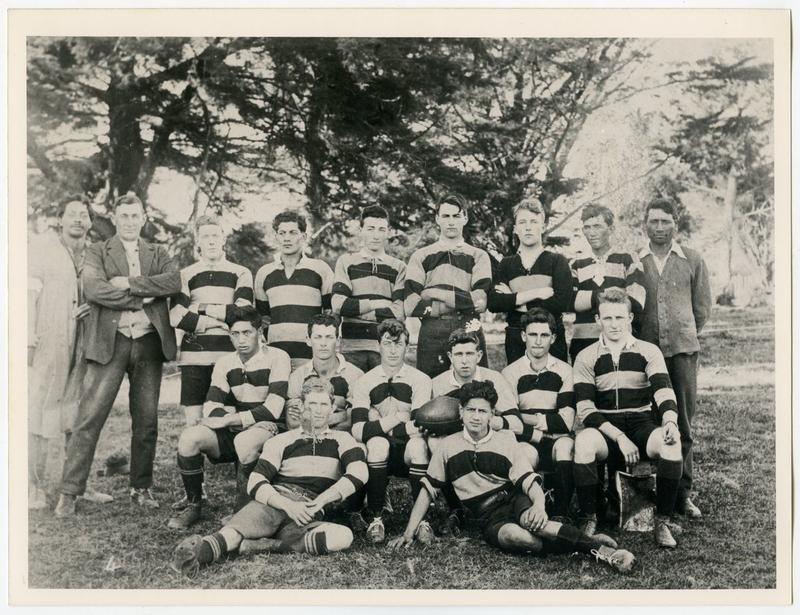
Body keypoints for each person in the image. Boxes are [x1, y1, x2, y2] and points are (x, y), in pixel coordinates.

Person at [388, 381, 635, 574]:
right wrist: (408, 533)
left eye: (482, 411)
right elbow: (427, 490)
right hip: (487, 516)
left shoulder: (505, 439)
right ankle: (581, 540)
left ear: (491, 413)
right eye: (471, 410)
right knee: (522, 539)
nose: (476, 416)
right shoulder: (447, 446)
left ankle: (605, 553)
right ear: (461, 411)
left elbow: (529, 480)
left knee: (537, 524)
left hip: (515, 499)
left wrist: (538, 505)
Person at [55, 192, 181, 517]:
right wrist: (142, 299)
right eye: (123, 216)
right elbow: (94, 288)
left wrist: (130, 283)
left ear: (143, 219)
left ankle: (141, 487)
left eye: (134, 216)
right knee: (89, 418)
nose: (129, 221)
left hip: (149, 342)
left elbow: (173, 281)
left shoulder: (157, 251)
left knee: (147, 421)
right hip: (111, 342)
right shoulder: (98, 250)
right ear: (114, 218)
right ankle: (70, 492)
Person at [170, 377, 368, 575]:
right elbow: (256, 482)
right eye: (312, 404)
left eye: (324, 404)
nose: (317, 410)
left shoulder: (343, 439)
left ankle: (267, 545)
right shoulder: (283, 440)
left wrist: (319, 503)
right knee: (233, 534)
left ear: (333, 408)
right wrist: (289, 505)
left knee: (343, 536)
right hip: (275, 501)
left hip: (310, 509)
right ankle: (200, 553)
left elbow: (359, 472)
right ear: (301, 406)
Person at [572, 288, 684, 548]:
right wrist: (619, 437)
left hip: (641, 422)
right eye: (607, 318)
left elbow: (664, 391)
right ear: (598, 320)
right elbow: (586, 409)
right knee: (585, 443)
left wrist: (669, 420)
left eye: (619, 318)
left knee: (671, 443)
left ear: (630, 318)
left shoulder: (648, 350)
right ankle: (590, 517)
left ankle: (662, 520)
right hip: (606, 426)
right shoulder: (586, 356)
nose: (613, 325)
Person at [168, 307, 290, 530]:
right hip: (237, 428)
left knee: (247, 440)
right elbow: (213, 405)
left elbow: (273, 409)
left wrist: (227, 420)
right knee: (190, 438)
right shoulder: (225, 362)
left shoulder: (278, 357)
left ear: (259, 332)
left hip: (268, 428)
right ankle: (195, 505)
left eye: (247, 333)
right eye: (235, 334)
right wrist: (227, 419)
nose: (241, 340)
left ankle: (243, 510)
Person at [28, 197, 112, 508]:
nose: (78, 219)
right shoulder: (43, 250)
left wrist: (94, 304)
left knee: (79, 414)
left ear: (91, 222)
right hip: (49, 341)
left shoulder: (95, 254)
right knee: (37, 412)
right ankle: (32, 488)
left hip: (85, 343)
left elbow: (103, 291)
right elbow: (27, 294)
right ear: (60, 219)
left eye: (84, 215)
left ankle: (77, 484)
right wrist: (27, 339)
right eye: (71, 214)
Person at [638, 198, 711, 520]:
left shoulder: (692, 259)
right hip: (645, 353)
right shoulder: (636, 261)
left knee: (681, 420)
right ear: (645, 224)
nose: (659, 227)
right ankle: (650, 488)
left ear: (675, 224)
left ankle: (682, 493)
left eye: (665, 221)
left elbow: (702, 309)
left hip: (682, 352)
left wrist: (683, 335)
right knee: (648, 419)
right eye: (653, 221)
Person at [349, 319, 433, 544]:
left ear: (407, 346)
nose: (393, 350)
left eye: (399, 344)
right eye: (388, 343)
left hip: (408, 451)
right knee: (377, 444)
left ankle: (422, 520)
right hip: (379, 452)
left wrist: (378, 423)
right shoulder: (364, 381)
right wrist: (397, 418)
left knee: (418, 445)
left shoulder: (420, 380)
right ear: (378, 345)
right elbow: (358, 430)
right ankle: (377, 518)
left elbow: (418, 427)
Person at [170, 215, 254, 428]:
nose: (211, 241)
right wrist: (217, 322)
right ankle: (194, 460)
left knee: (229, 419)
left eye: (215, 235)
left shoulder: (241, 272)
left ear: (223, 238)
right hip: (193, 359)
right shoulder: (185, 275)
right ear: (197, 241)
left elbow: (241, 312)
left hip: (229, 356)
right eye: (205, 236)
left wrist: (199, 308)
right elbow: (176, 316)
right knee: (194, 422)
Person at [404, 195, 493, 378]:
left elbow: (479, 299)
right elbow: (411, 305)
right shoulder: (421, 256)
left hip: (468, 327)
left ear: (465, 218)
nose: (451, 222)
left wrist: (434, 292)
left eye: (456, 216)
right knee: (431, 391)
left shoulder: (479, 256)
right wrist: (458, 301)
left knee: (476, 389)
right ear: (437, 218)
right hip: (432, 329)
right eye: (445, 216)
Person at [502, 308, 575, 522]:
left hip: (556, 440)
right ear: (524, 336)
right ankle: (528, 511)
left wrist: (524, 416)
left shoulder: (565, 371)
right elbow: (511, 420)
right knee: (524, 454)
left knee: (565, 446)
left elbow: (565, 422)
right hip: (526, 440)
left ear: (553, 338)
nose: (538, 341)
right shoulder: (510, 373)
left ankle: (561, 513)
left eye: (544, 335)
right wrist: (541, 422)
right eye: (533, 334)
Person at [488, 196, 572, 364]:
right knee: (518, 386)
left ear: (543, 226)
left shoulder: (557, 261)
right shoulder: (506, 264)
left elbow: (562, 302)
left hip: (551, 338)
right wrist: (538, 293)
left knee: (554, 386)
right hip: (516, 338)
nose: (528, 228)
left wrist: (515, 300)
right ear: (515, 229)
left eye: (533, 222)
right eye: (522, 222)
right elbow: (495, 303)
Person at [254, 209, 334, 369]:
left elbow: (330, 315)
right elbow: (263, 319)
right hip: (277, 359)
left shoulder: (321, 269)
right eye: (282, 233)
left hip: (312, 359)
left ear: (303, 236)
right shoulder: (264, 273)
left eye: (292, 232)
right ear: (276, 236)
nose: (287, 238)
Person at [331, 205, 406, 373]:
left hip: (385, 348)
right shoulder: (346, 262)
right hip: (351, 349)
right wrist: (378, 303)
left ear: (388, 232)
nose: (376, 235)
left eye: (381, 229)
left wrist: (357, 308)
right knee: (352, 396)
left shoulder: (399, 267)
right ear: (361, 230)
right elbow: (339, 305)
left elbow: (399, 312)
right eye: (370, 229)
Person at [569, 203, 646, 363]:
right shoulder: (575, 263)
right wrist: (614, 293)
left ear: (610, 229)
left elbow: (637, 300)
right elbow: (571, 301)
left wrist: (588, 298)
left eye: (597, 226)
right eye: (587, 227)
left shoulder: (628, 259)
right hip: (583, 342)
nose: (592, 233)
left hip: (621, 341)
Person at [431, 328, 521, 434]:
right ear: (450, 357)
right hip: (451, 441)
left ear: (479, 356)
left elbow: (516, 423)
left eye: (469, 354)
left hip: (486, 439)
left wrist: (486, 421)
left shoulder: (495, 379)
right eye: (459, 354)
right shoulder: (437, 383)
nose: (464, 361)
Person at [285, 313, 365, 432]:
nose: (323, 343)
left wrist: (311, 419)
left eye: (329, 337)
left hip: (340, 442)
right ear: (308, 340)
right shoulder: (298, 376)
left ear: (338, 341)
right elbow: (293, 423)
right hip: (306, 442)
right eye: (318, 337)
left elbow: (352, 422)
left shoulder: (355, 375)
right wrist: (340, 416)